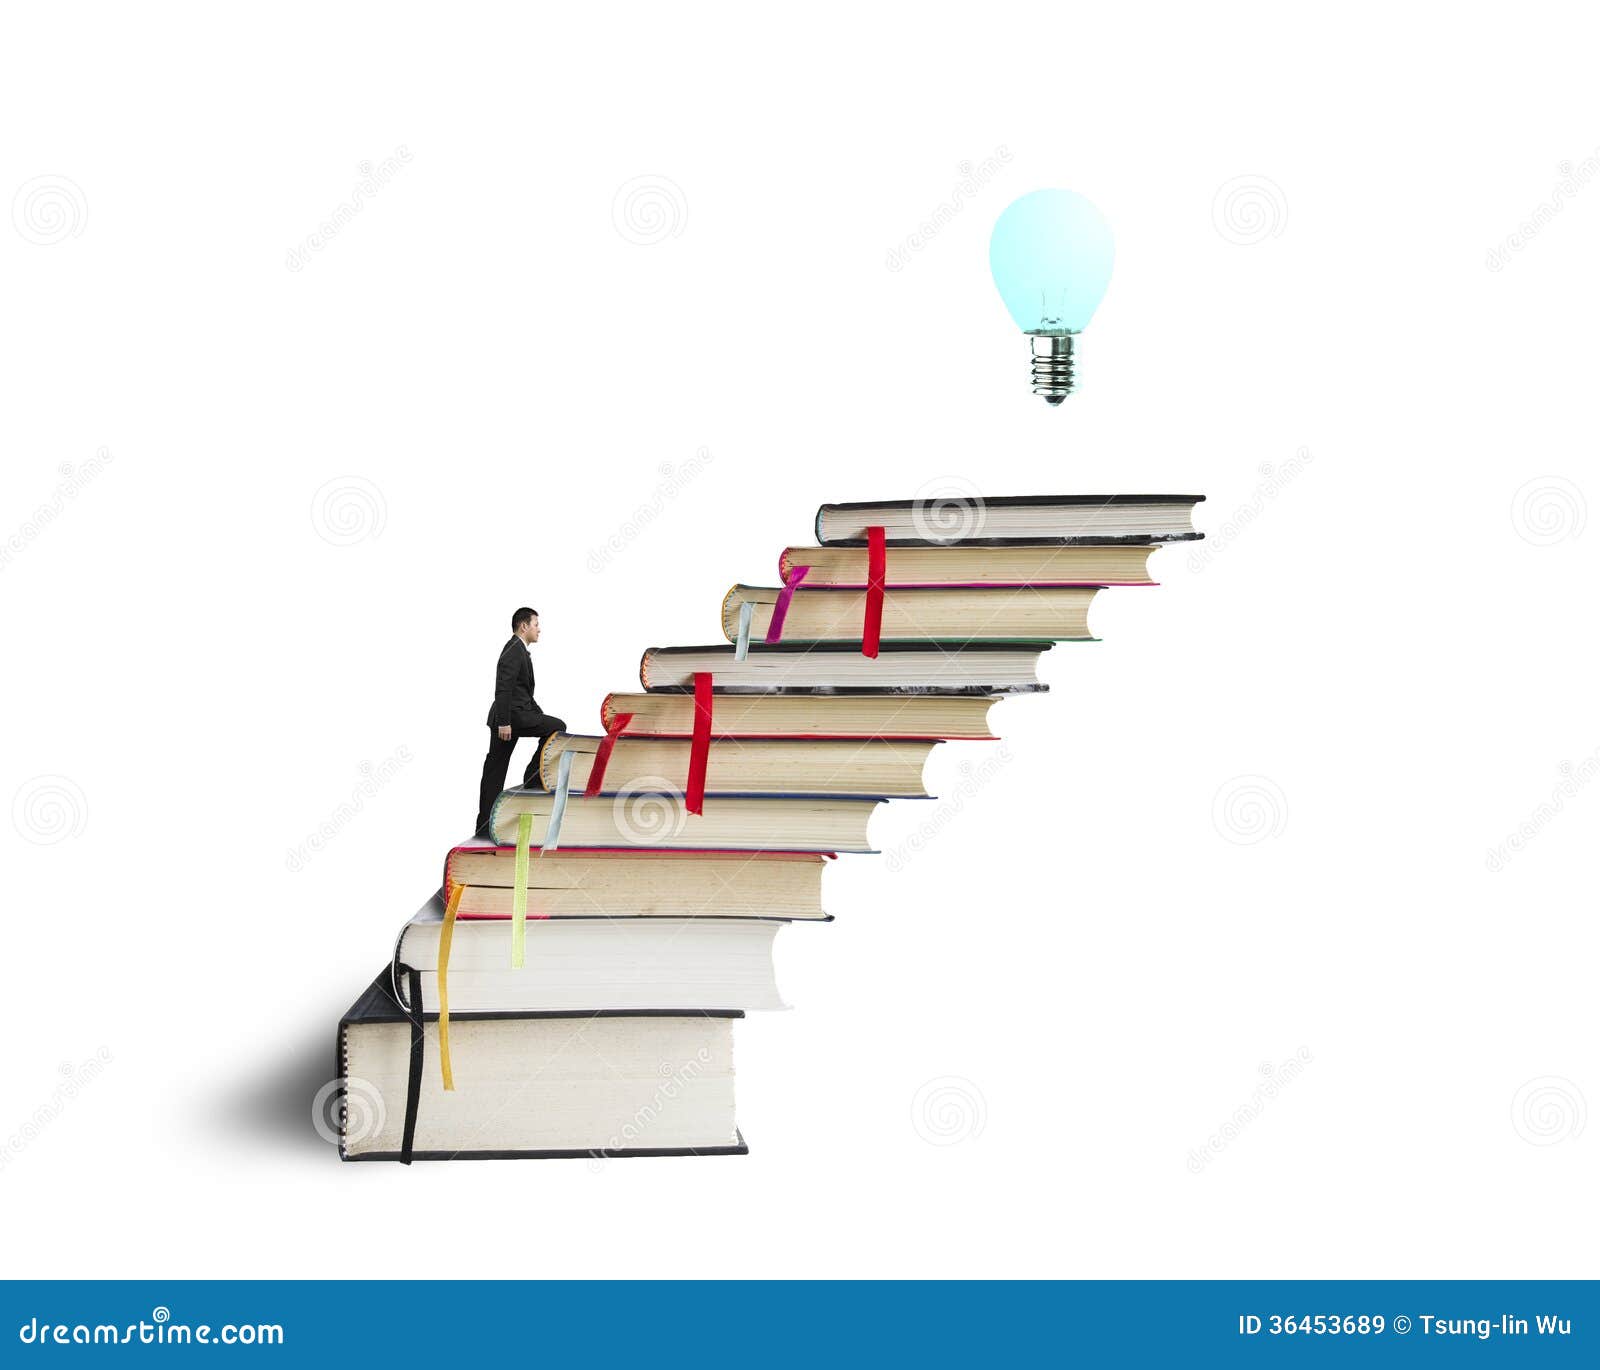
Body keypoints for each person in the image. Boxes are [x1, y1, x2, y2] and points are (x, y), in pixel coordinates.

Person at [475, 607, 567, 836]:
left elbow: (523, 693)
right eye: (536, 624)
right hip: (509, 718)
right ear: (523, 626)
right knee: (557, 727)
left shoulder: (519, 650)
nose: (539, 629)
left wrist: (538, 713)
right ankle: (533, 776)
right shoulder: (513, 650)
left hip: (514, 715)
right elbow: (503, 688)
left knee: (494, 771)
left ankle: (484, 827)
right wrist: (504, 723)